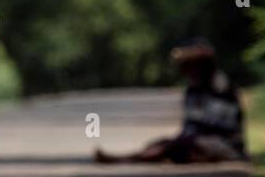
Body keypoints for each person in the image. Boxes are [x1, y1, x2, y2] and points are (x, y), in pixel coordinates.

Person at [95, 39, 247, 164]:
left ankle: (125, 159)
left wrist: (182, 141)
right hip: (202, 141)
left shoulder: (220, 86)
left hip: (227, 145)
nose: (189, 70)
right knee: (161, 144)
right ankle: (133, 157)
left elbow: (216, 125)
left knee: (175, 147)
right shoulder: (193, 89)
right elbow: (192, 125)